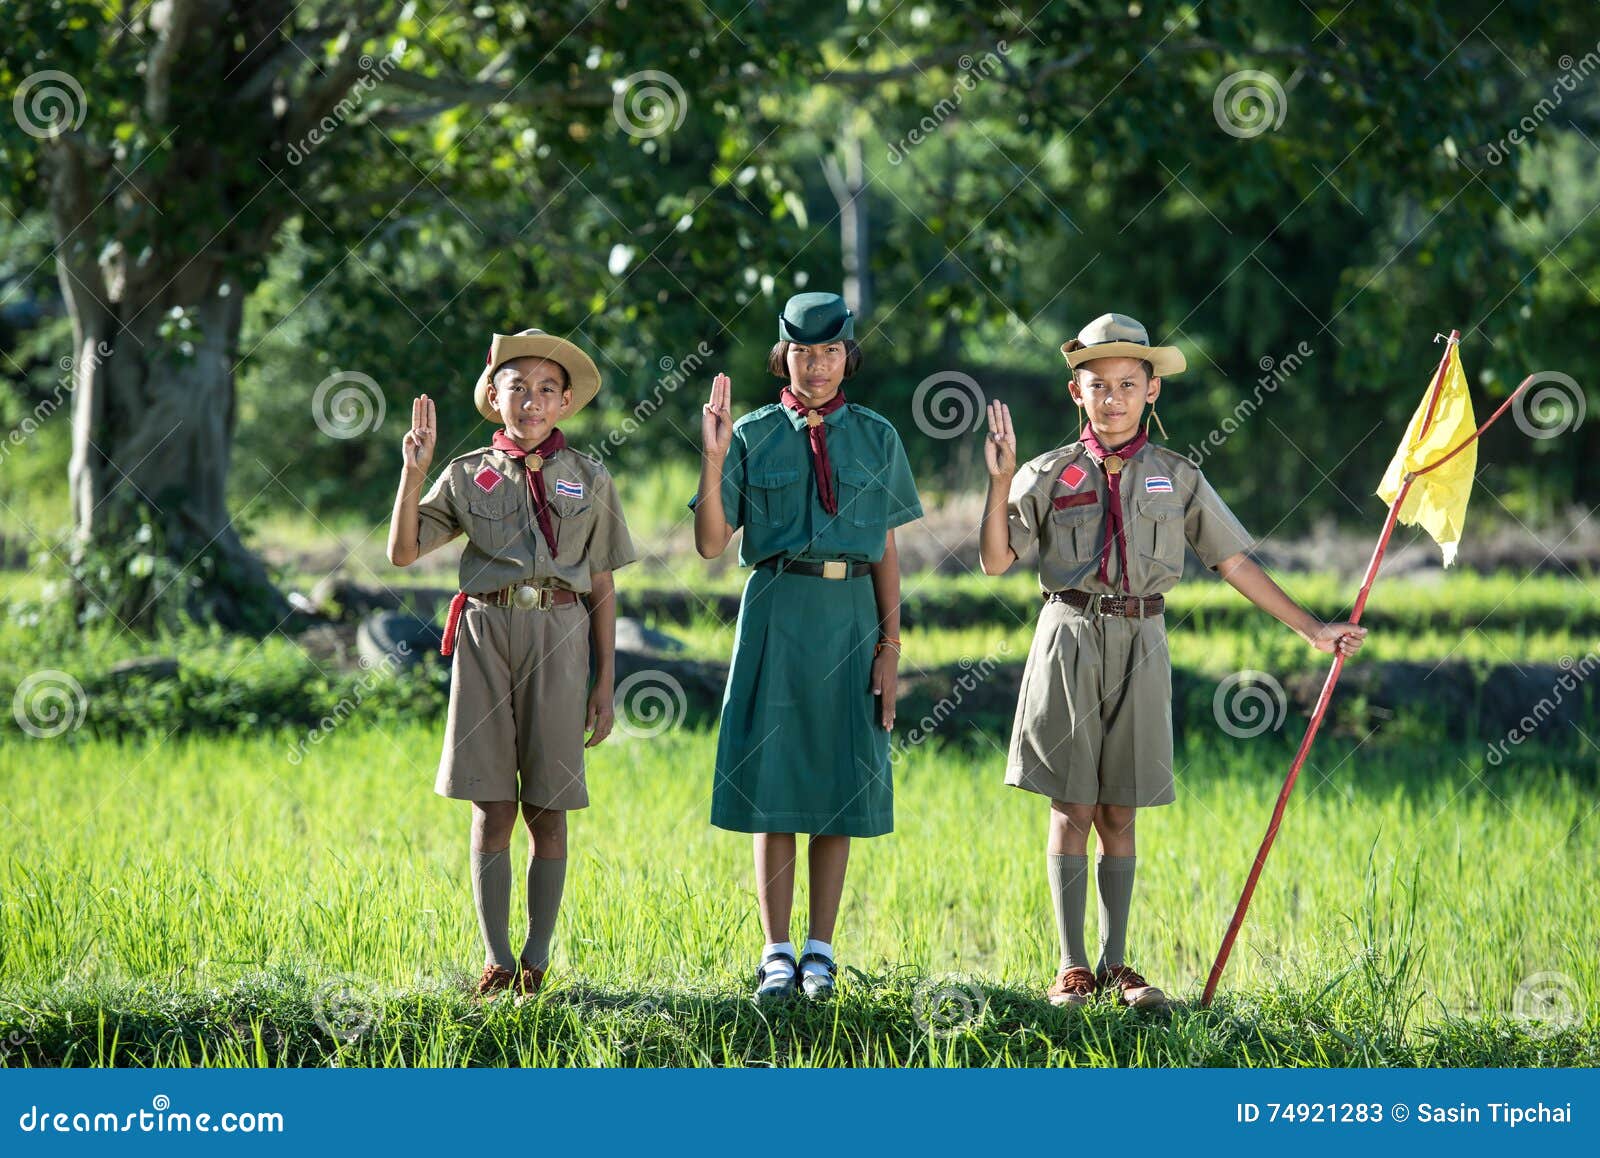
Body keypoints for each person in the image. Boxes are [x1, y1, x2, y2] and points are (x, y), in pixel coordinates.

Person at [979, 312, 1368, 1009]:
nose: (1113, 399)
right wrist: (999, 479)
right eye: (1098, 385)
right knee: (1072, 805)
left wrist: (1313, 629)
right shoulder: (1047, 472)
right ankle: (1072, 969)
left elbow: (1233, 562)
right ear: (1076, 391)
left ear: (1152, 389)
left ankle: (1115, 965)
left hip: (1143, 640)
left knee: (1120, 810)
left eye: (1128, 384)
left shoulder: (1177, 476)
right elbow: (994, 559)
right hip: (1069, 636)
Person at [387, 328, 636, 1000]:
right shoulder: (467, 473)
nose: (532, 401)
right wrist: (413, 472)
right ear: (494, 398)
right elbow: (403, 552)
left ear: (565, 403)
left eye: (547, 389)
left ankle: (536, 959)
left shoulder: (590, 477)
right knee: (492, 804)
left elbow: (603, 584)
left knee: (548, 809)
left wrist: (605, 683)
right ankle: (496, 960)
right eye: (517, 387)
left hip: (561, 635)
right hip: (485, 636)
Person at [692, 292, 923, 1000]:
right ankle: (777, 953)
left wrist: (890, 644)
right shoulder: (752, 434)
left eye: (828, 352)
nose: (815, 365)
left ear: (848, 356)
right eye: (801, 352)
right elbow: (710, 543)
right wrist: (713, 458)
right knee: (773, 785)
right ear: (782, 356)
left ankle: (820, 953)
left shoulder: (878, 437)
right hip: (776, 611)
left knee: (836, 783)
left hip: (852, 615)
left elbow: (885, 548)